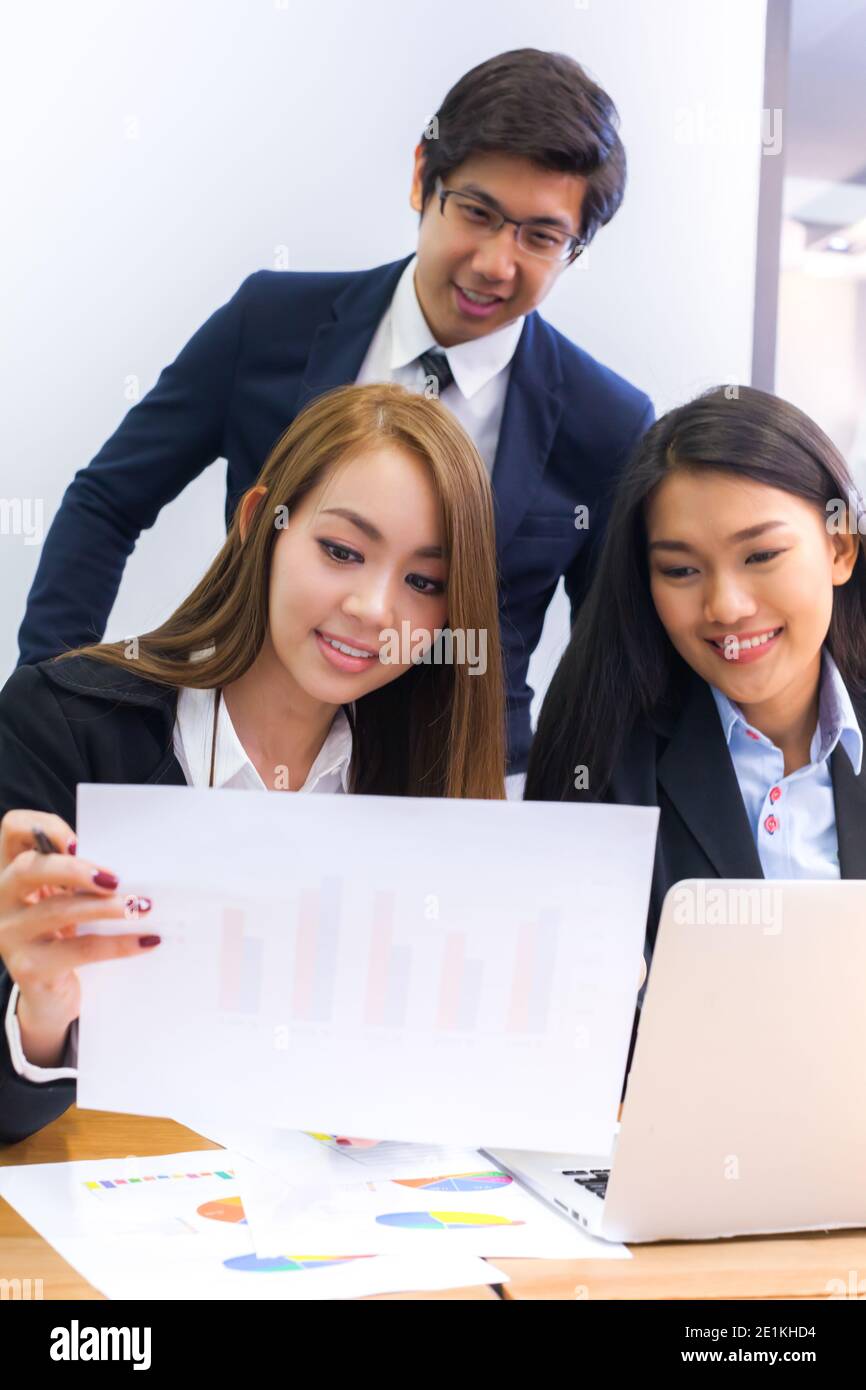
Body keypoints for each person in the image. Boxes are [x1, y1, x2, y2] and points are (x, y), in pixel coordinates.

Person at [16, 47, 654, 779]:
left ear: (574, 250)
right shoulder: (271, 321)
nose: (494, 264)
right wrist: (45, 712)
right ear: (423, 176)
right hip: (240, 750)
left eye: (540, 237)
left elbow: (612, 649)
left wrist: (560, 799)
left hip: (460, 784)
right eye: (476, 212)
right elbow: (108, 499)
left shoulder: (609, 421)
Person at [0, 382, 507, 1143]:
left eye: (423, 582)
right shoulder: (63, 724)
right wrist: (41, 1007)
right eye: (341, 551)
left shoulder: (432, 772)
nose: (374, 608)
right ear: (257, 524)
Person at [525, 385, 866, 970]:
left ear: (839, 547)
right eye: (681, 570)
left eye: (760, 556)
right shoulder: (602, 748)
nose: (726, 606)